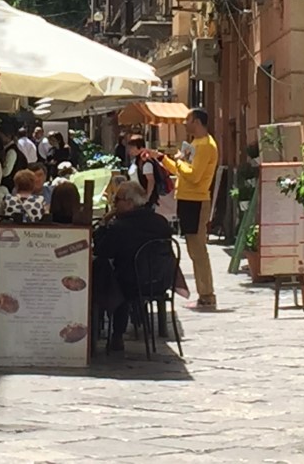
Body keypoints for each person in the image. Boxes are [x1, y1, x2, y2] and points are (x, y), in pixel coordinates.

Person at [92, 182, 174, 352]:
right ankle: (139, 319)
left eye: (117, 200)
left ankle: (116, 334)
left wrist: (103, 224)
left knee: (111, 278)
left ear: (129, 203)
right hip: (161, 279)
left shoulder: (120, 227)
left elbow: (102, 251)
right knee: (127, 275)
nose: (114, 203)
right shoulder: (161, 222)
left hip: (132, 283)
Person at [156, 108, 218, 310]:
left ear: (197, 122)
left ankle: (207, 295)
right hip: (187, 199)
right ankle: (204, 294)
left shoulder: (206, 145)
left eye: (188, 120)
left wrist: (179, 161)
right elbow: (183, 171)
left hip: (196, 201)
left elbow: (194, 175)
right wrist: (163, 160)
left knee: (198, 250)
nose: (185, 123)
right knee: (193, 249)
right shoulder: (195, 143)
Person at [124, 134, 159, 207]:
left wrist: (147, 197)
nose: (129, 150)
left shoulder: (146, 162)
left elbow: (151, 181)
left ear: (139, 147)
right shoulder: (136, 160)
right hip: (136, 198)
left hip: (144, 201)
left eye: (132, 147)